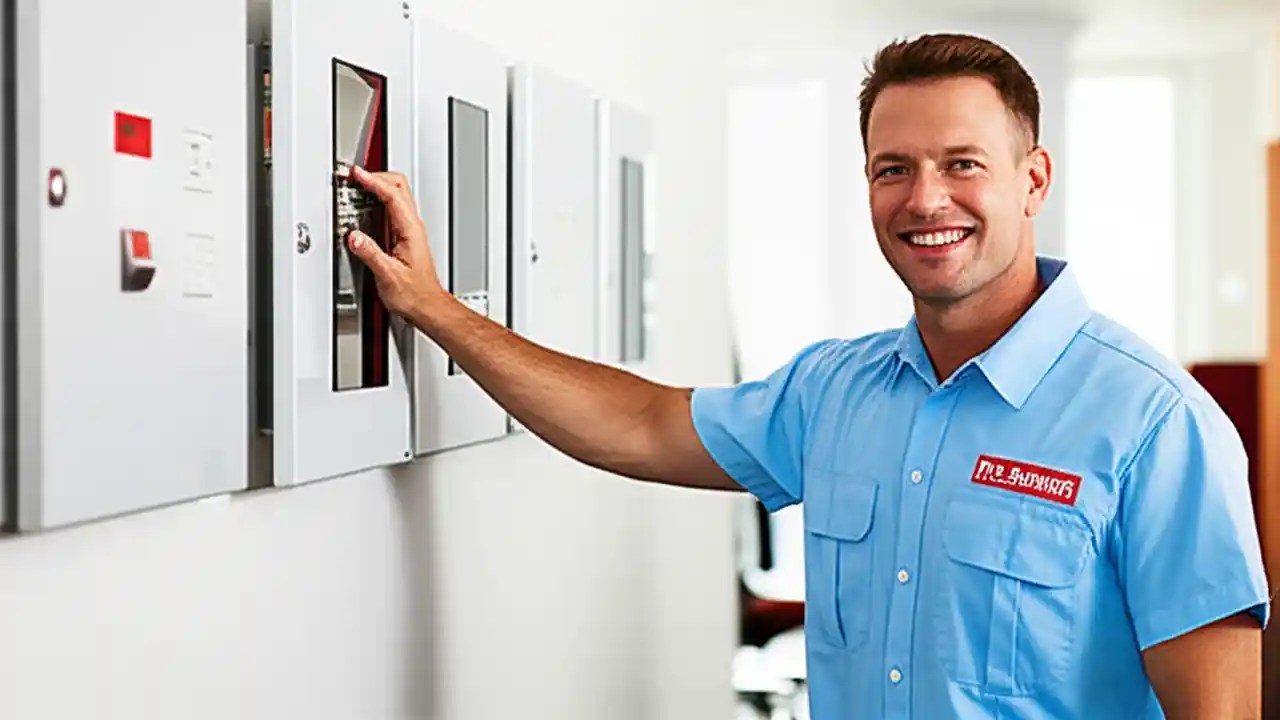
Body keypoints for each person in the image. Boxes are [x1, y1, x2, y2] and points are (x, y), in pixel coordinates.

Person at [342, 32, 1269, 720]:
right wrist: (432, 309)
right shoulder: (834, 392)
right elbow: (638, 425)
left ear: (1033, 180)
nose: (926, 199)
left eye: (963, 164)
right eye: (893, 168)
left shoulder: (1155, 425)